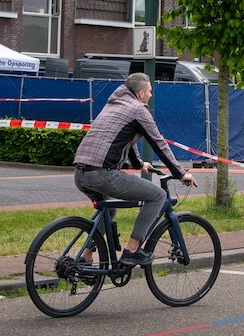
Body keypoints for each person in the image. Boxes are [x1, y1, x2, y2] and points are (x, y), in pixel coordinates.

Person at [73, 72, 197, 266]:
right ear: (140, 93)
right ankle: (132, 250)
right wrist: (180, 173)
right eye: (149, 91)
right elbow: (159, 143)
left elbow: (125, 140)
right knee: (158, 196)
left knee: (109, 211)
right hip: (102, 175)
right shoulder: (138, 109)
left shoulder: (114, 105)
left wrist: (139, 164)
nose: (151, 95)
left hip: (80, 173)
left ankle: (85, 257)